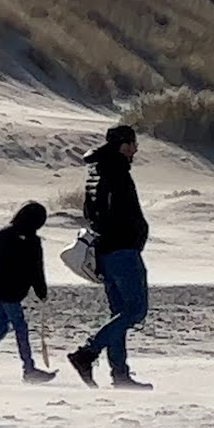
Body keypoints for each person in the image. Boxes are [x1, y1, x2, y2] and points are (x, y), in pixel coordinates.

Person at [67, 125, 152, 390]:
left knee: (119, 313)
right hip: (121, 249)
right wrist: (135, 234)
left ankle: (120, 374)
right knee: (135, 310)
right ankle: (87, 353)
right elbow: (120, 212)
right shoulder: (116, 171)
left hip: (105, 249)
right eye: (134, 145)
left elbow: (90, 211)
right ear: (124, 145)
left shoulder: (96, 170)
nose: (135, 151)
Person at [0, 202, 57, 383]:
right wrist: (41, 291)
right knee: (20, 327)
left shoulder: (2, 234)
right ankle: (28, 369)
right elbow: (35, 268)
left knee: (2, 327)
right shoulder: (30, 240)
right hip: (10, 291)